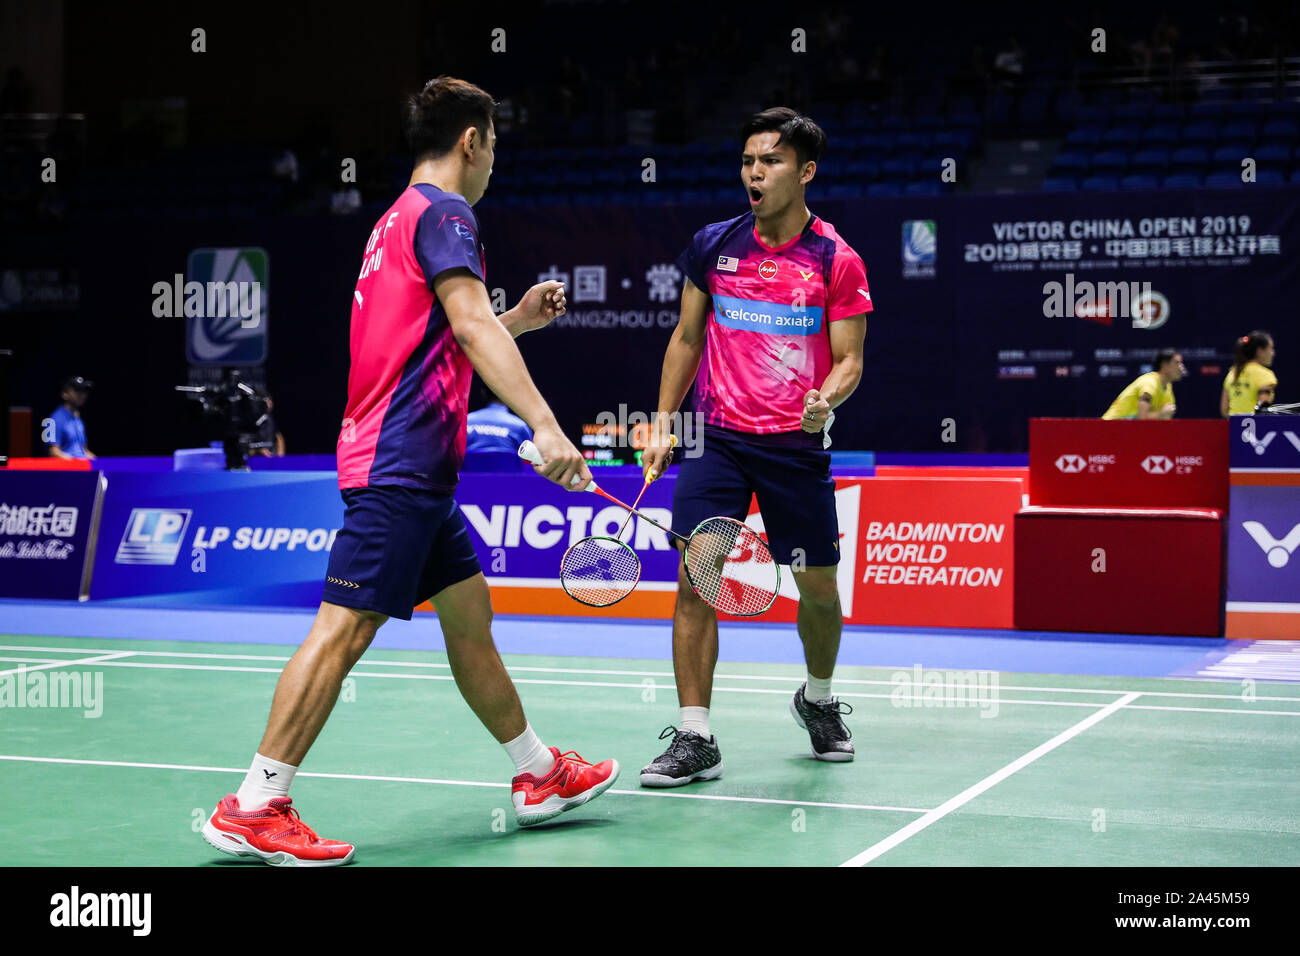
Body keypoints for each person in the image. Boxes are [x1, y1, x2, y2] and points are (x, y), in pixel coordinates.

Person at [202, 76, 617, 867]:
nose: (495, 159)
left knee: (469, 619)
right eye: (493, 143)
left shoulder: (397, 217)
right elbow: (462, 325)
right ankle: (256, 803)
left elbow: (439, 337)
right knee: (343, 629)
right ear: (471, 141)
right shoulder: (447, 212)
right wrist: (546, 424)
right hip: (400, 464)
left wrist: (518, 320)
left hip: (414, 469)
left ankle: (537, 775)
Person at [637, 107, 870, 786]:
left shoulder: (835, 259)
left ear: (805, 172)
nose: (755, 172)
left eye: (769, 161)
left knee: (818, 591)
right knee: (695, 580)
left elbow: (850, 359)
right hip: (717, 438)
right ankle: (694, 735)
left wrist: (828, 396)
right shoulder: (714, 245)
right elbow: (685, 339)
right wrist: (661, 421)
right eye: (748, 160)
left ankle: (818, 699)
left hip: (795, 447)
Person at [1102, 349, 1185, 420]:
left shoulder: (1168, 388)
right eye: (1177, 363)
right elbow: (1143, 420)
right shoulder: (1150, 383)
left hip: (1127, 430)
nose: (1181, 367)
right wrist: (1160, 414)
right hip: (1109, 427)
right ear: (1164, 365)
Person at [466, 377, 530, 453]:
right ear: (509, 394)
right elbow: (530, 462)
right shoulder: (520, 426)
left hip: (471, 465)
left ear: (483, 392)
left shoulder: (466, 421)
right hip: (507, 465)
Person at [1221, 330, 1277, 415]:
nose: (1273, 353)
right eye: (1271, 348)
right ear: (1260, 351)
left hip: (1234, 426)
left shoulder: (1232, 373)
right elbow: (1262, 411)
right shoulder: (1265, 375)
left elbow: (1224, 410)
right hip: (1257, 427)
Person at [45, 376, 96, 460]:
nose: (82, 395)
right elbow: (52, 452)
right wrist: (75, 463)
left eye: (84, 391)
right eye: (77, 390)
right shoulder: (53, 420)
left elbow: (84, 451)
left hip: (82, 468)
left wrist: (100, 464)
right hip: (68, 470)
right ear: (65, 394)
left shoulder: (78, 419)